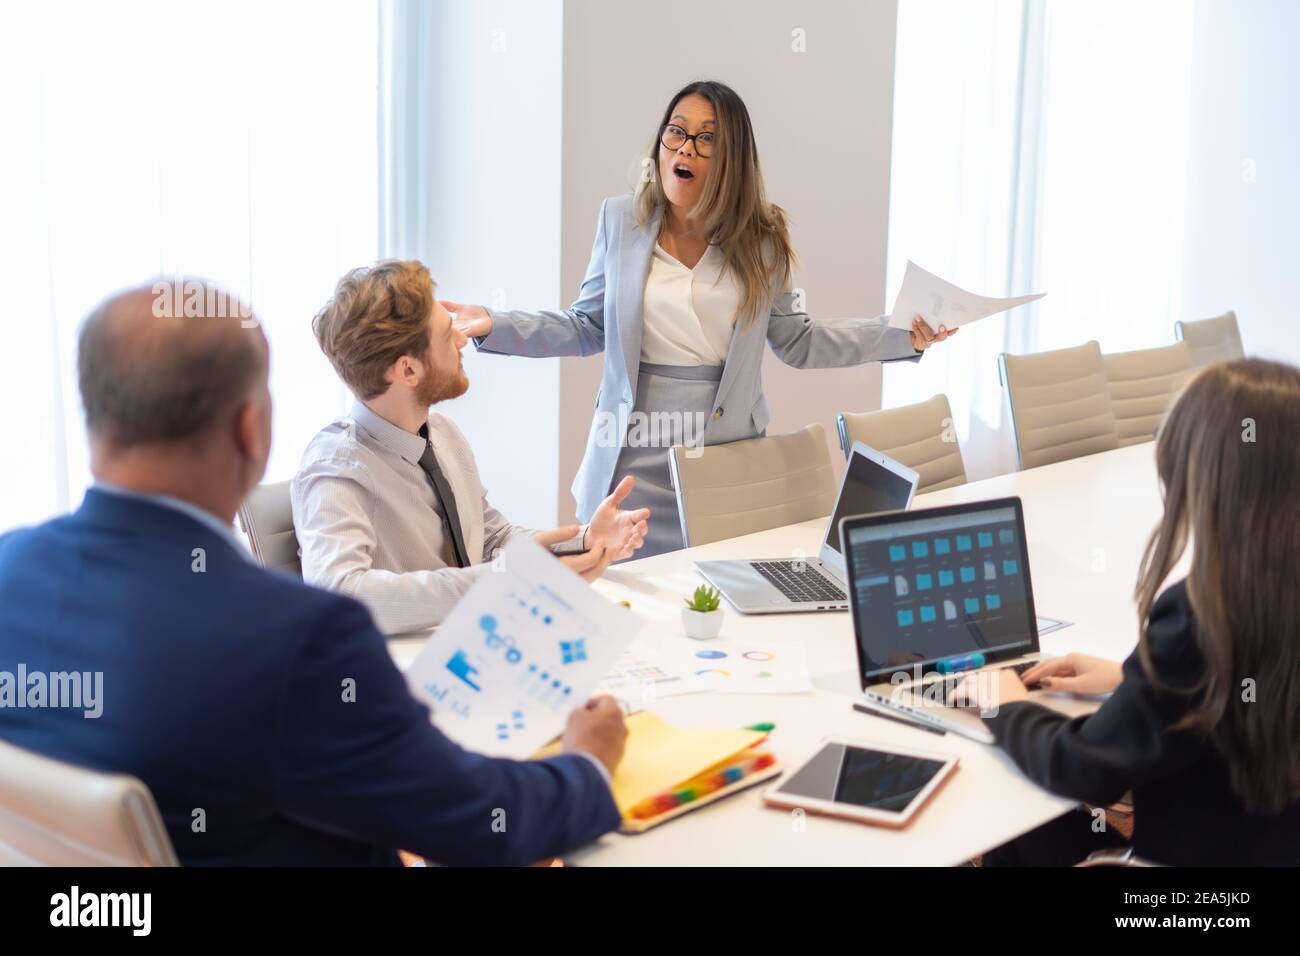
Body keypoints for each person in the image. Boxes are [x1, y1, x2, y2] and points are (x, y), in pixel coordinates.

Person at [0, 281, 627, 866]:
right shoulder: (304, 641)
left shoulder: (10, 573)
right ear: (252, 429)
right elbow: (482, 821)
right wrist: (588, 764)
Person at [444, 79, 955, 556]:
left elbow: (798, 339)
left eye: (705, 139)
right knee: (625, 603)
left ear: (732, 159)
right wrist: (494, 323)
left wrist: (899, 333)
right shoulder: (621, 220)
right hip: (630, 456)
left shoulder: (763, 235)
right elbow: (587, 325)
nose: (685, 148)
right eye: (676, 132)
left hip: (722, 463)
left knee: (713, 614)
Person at [953, 358, 1300, 865]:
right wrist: (1132, 680)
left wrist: (1005, 704)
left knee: (1018, 821)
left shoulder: (1203, 615)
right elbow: (1253, 689)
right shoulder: (1269, 600)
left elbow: (1083, 768)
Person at [294, 260, 649, 635]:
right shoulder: (334, 468)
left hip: (477, 650)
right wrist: (501, 582)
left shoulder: (443, 434)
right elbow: (342, 596)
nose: (464, 340)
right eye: (448, 336)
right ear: (408, 371)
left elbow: (491, 540)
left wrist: (583, 540)